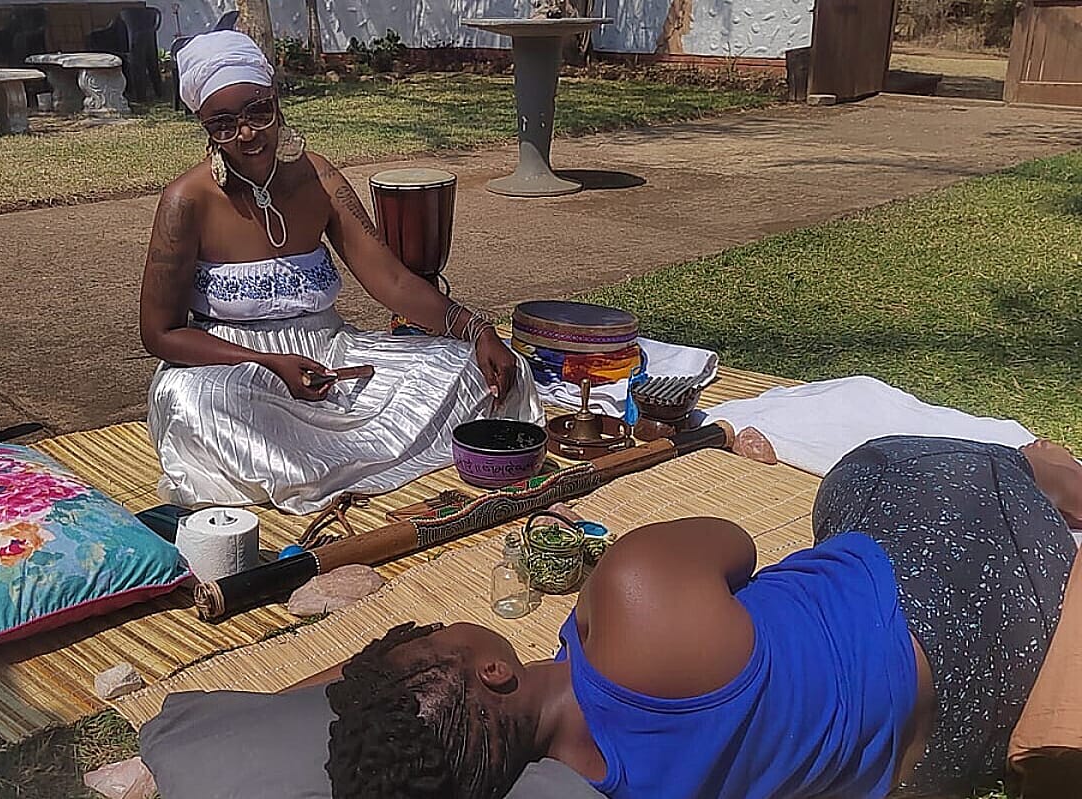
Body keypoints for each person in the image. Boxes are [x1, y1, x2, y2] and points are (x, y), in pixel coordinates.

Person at [321, 436, 1082, 798]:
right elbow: (737, 546)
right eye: (428, 635)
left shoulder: (608, 782)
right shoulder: (632, 593)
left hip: (959, 750)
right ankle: (1041, 471)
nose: (434, 624)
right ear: (494, 668)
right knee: (867, 473)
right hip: (976, 592)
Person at [139, 31, 542, 513]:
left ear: (277, 101)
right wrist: (267, 363)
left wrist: (477, 331)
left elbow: (390, 281)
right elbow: (160, 334)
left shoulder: (320, 177)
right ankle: (320, 462)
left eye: (257, 111)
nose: (246, 133)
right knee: (195, 405)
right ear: (204, 127)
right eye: (223, 124)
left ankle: (332, 460)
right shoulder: (186, 200)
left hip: (331, 351)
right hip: (232, 366)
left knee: (469, 369)